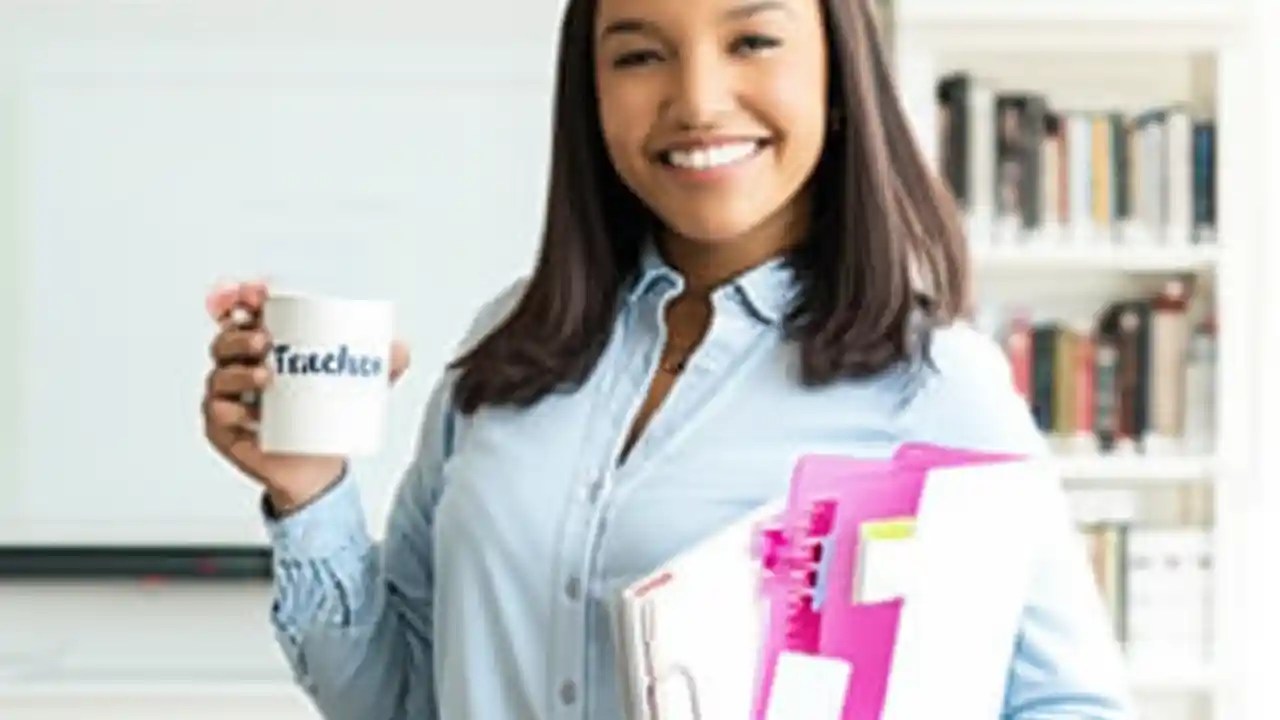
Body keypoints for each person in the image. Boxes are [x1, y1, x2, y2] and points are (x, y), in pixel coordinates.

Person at [202, 0, 1133, 717]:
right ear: (593, 96)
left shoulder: (933, 384)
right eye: (640, 53)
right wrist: (308, 488)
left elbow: (1067, 703)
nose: (696, 100)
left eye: (752, 42)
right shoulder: (507, 352)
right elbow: (397, 698)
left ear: (838, 78)